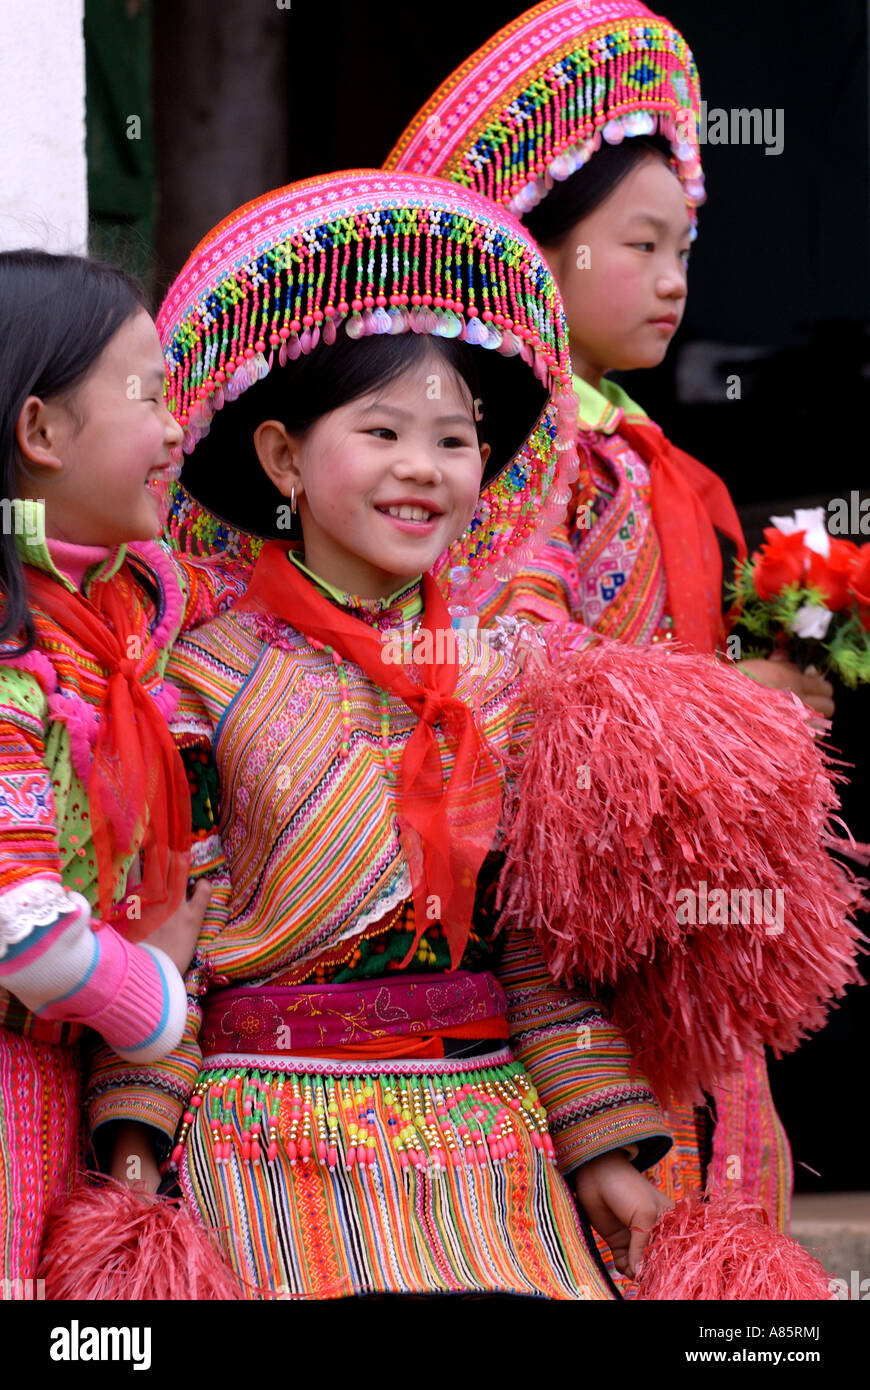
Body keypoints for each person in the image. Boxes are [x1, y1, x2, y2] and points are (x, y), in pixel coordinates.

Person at [86, 172, 857, 1301]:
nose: (423, 467)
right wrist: (137, 1145)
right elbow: (175, 938)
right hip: (273, 1153)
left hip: (494, 1158)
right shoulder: (195, 679)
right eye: (382, 431)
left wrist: (605, 1149)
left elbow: (543, 955)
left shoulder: (518, 686)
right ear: (284, 460)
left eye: (454, 440)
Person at [383, 0, 826, 1271]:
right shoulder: (513, 465)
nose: (680, 278)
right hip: (569, 943)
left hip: (680, 932)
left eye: (686, 245)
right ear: (538, 252)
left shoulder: (647, 454)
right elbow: (522, 684)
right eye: (642, 243)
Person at [0, 251, 246, 1285]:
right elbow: (22, 933)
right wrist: (158, 996)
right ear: (42, 431)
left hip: (67, 1078)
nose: (177, 427)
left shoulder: (124, 624)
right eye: (149, 392)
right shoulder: (16, 660)